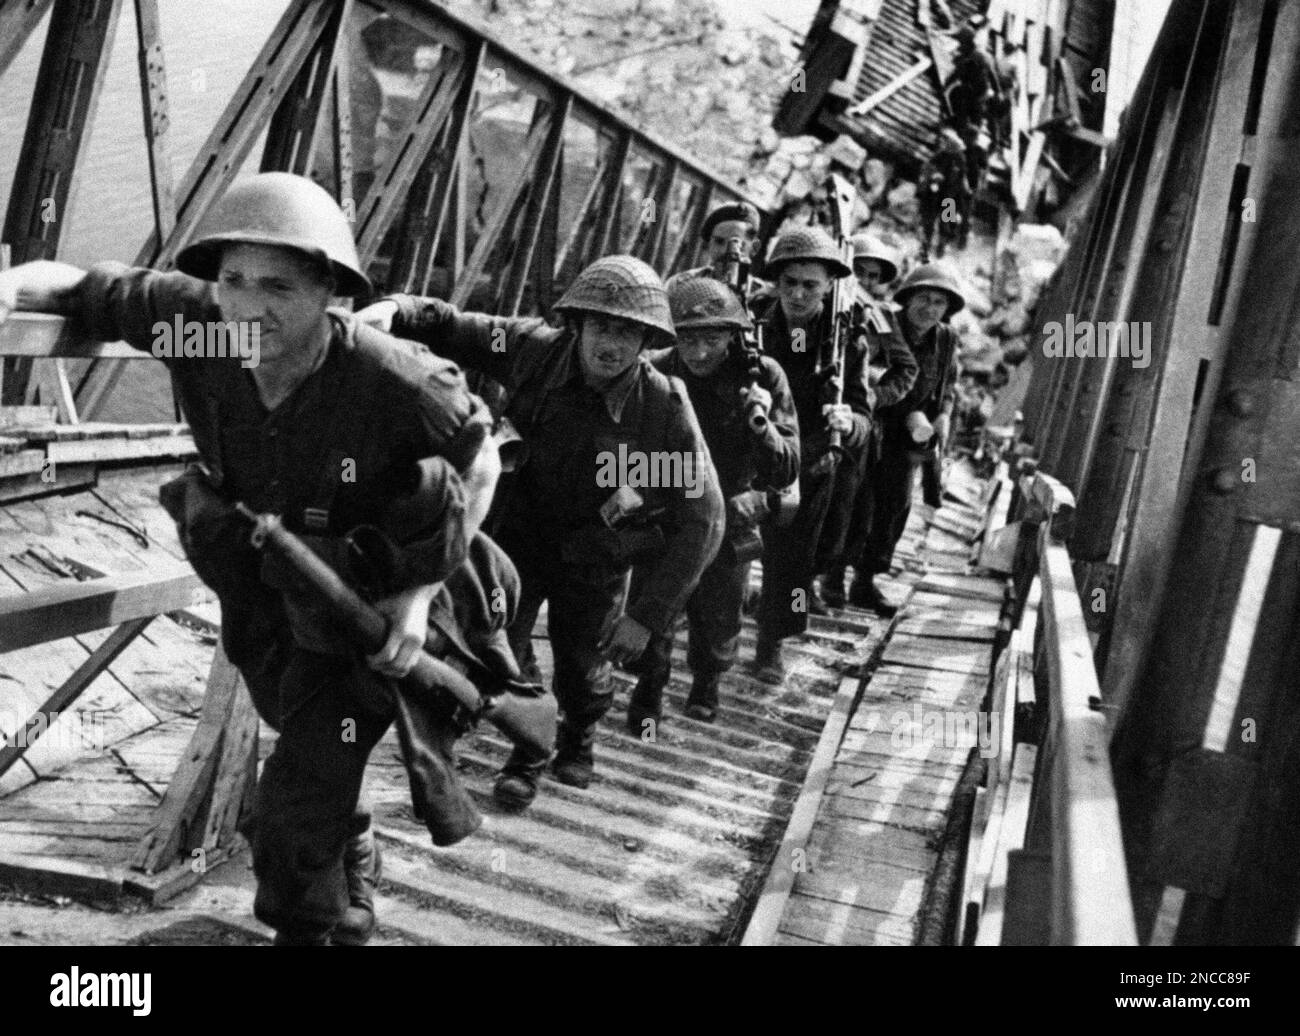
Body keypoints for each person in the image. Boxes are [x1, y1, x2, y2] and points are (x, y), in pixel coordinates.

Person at [0, 172, 512, 946]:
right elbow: (74, 286)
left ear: (330, 294)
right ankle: (352, 842)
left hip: (370, 594)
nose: (249, 305)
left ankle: (308, 923)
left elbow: (481, 465)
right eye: (234, 280)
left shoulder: (393, 378)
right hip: (262, 583)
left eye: (279, 286)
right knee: (297, 730)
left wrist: (418, 594)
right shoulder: (199, 327)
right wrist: (10, 289)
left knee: (299, 787)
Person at [356, 256, 725, 804]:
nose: (613, 345)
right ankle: (528, 752)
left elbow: (702, 518)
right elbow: (451, 325)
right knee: (498, 648)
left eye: (629, 333)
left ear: (648, 340)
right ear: (576, 323)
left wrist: (646, 618)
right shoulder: (533, 349)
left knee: (581, 667)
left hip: (596, 552)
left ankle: (578, 737)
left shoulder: (661, 408)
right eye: (602, 327)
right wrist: (391, 310)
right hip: (521, 535)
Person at [627, 277, 799, 727]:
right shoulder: (655, 371)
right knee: (655, 599)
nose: (700, 352)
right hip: (667, 507)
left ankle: (707, 681)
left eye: (713, 339)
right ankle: (649, 688)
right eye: (688, 338)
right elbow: (623, 455)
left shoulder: (763, 377)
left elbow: (787, 468)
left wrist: (762, 428)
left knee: (719, 609)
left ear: (733, 336)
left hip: (732, 515)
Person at [749, 226, 873, 681]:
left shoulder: (846, 341)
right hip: (756, 446)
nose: (799, 294)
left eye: (811, 285)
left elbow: (864, 413)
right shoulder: (754, 324)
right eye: (790, 283)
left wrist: (850, 423)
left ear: (828, 287)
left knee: (793, 555)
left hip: (812, 457)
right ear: (776, 281)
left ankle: (770, 643)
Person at [853, 262, 965, 615]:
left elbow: (948, 384)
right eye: (924, 298)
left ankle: (865, 579)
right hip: (876, 420)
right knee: (857, 497)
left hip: (912, 429)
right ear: (908, 298)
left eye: (939, 303)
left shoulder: (945, 339)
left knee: (896, 502)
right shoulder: (885, 325)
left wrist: (943, 415)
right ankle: (832, 574)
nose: (930, 309)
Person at [818, 234, 918, 610]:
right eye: (856, 270)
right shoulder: (816, 299)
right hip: (809, 412)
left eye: (872, 276)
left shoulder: (877, 316)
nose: (863, 280)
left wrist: (873, 397)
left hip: (854, 423)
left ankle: (831, 577)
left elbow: (906, 368)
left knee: (848, 504)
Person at [665, 201, 766, 296]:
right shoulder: (682, 284)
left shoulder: (761, 296)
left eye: (737, 244)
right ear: (709, 244)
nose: (725, 251)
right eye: (719, 242)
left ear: (754, 248)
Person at [918, 128, 972, 260]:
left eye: (946, 141)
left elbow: (962, 176)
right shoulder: (940, 156)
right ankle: (925, 248)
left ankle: (941, 248)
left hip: (951, 196)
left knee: (946, 223)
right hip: (936, 194)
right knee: (929, 223)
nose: (944, 143)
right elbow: (929, 167)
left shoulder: (960, 158)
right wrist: (933, 176)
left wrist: (965, 190)